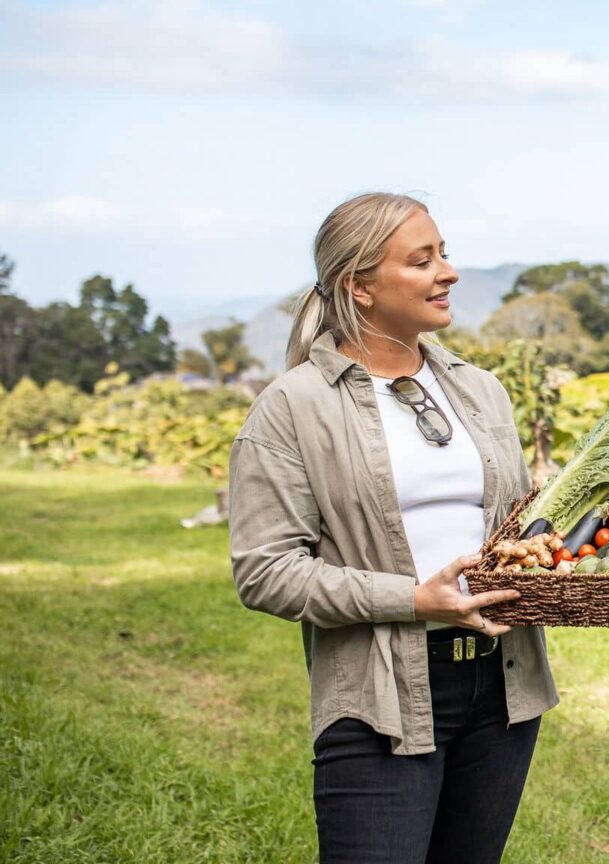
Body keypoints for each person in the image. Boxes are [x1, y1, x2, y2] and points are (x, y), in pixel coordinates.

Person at [228, 192, 557, 863]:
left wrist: (544, 548)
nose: (449, 272)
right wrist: (413, 599)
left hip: (501, 689)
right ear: (361, 286)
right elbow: (264, 571)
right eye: (422, 259)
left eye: (444, 253)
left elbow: (509, 525)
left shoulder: (479, 390)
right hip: (379, 698)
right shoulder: (291, 408)